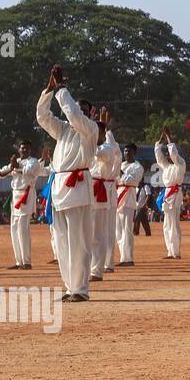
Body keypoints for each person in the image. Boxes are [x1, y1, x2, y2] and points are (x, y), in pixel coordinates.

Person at [36, 64, 99, 301]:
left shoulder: (90, 129)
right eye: (77, 106)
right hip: (59, 187)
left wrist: (62, 89)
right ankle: (70, 287)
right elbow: (42, 116)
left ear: (89, 114)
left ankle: (81, 289)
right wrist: (49, 90)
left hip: (78, 187)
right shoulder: (62, 130)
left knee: (79, 241)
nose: (78, 111)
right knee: (61, 241)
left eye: (83, 109)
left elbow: (73, 114)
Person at [0, 142, 49, 270]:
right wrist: (11, 168)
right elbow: (0, 174)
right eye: (22, 148)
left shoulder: (33, 162)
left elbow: (29, 172)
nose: (24, 150)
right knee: (14, 228)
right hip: (15, 195)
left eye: (26, 148)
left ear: (30, 150)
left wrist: (16, 168)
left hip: (26, 194)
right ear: (19, 150)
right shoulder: (16, 162)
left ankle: (27, 261)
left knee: (22, 228)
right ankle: (18, 262)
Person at [88, 114, 120, 278]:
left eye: (99, 132)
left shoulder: (107, 149)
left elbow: (100, 153)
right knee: (86, 233)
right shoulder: (89, 147)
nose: (96, 135)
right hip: (87, 189)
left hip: (99, 190)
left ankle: (97, 270)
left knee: (98, 234)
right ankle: (88, 268)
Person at [153, 129, 185, 259]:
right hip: (167, 193)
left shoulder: (180, 164)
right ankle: (170, 251)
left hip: (175, 193)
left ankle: (176, 252)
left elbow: (174, 154)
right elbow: (159, 156)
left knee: (174, 224)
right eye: (166, 155)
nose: (167, 156)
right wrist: (160, 142)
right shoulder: (166, 167)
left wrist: (169, 138)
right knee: (167, 225)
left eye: (169, 154)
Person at [114, 142, 145, 267]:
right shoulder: (121, 165)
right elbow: (115, 179)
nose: (126, 153)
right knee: (118, 230)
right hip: (117, 195)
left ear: (134, 153)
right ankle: (123, 256)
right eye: (125, 151)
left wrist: (119, 171)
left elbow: (130, 180)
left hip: (128, 196)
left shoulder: (138, 167)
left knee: (127, 229)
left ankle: (128, 258)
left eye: (129, 151)